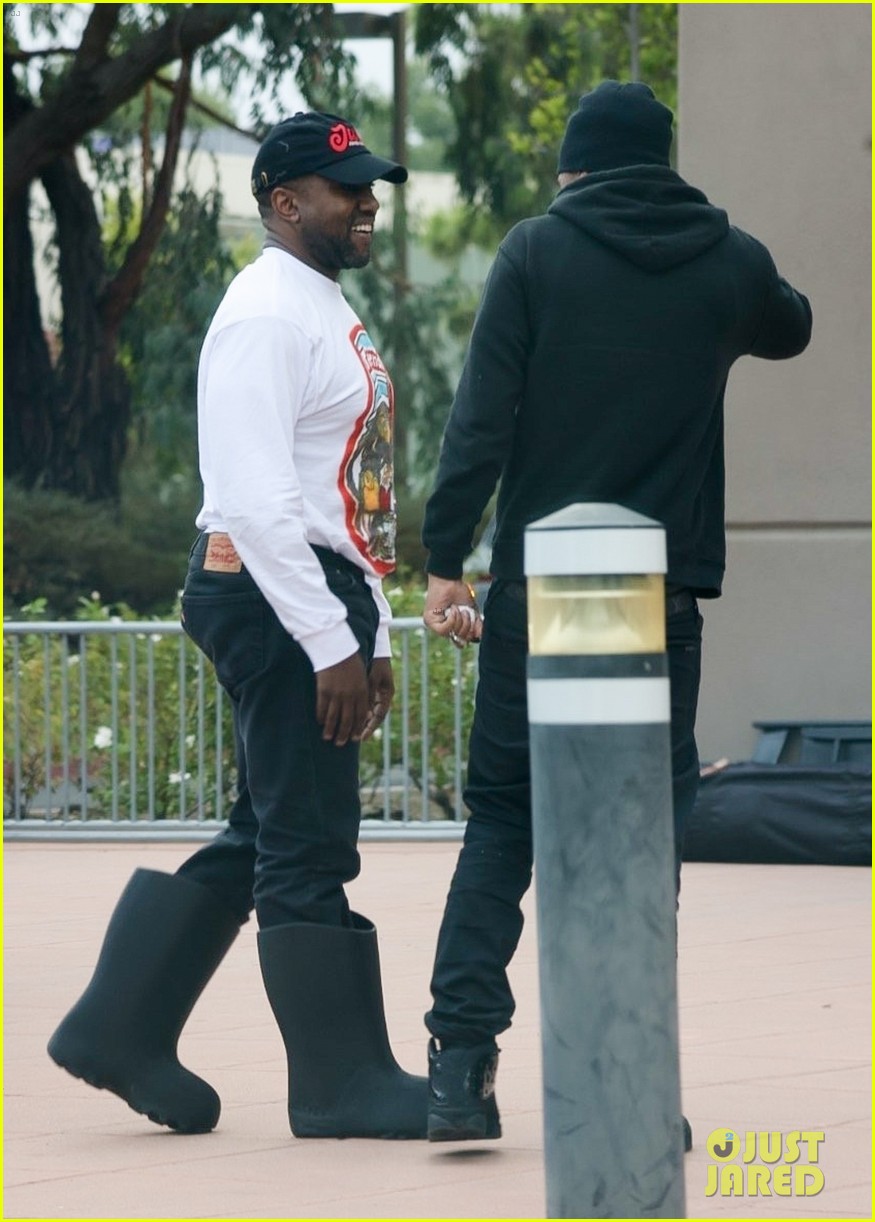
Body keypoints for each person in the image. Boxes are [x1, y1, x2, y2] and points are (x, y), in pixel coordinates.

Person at [420, 81, 812, 1145]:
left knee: (505, 817)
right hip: (652, 593)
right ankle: (623, 1085)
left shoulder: (534, 253)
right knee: (632, 840)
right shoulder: (724, 261)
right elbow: (793, 326)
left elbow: (480, 419)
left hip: (542, 589)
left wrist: (443, 558)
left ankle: (459, 1068)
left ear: (573, 167)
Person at [48, 111, 428, 1141]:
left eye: (368, 185)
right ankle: (341, 1085)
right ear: (281, 203)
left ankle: (116, 1026)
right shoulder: (268, 309)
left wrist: (374, 629)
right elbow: (256, 498)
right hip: (272, 592)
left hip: (307, 589)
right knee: (308, 844)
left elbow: (346, 494)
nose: (365, 202)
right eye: (344, 187)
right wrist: (327, 640)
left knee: (269, 825)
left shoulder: (314, 303)